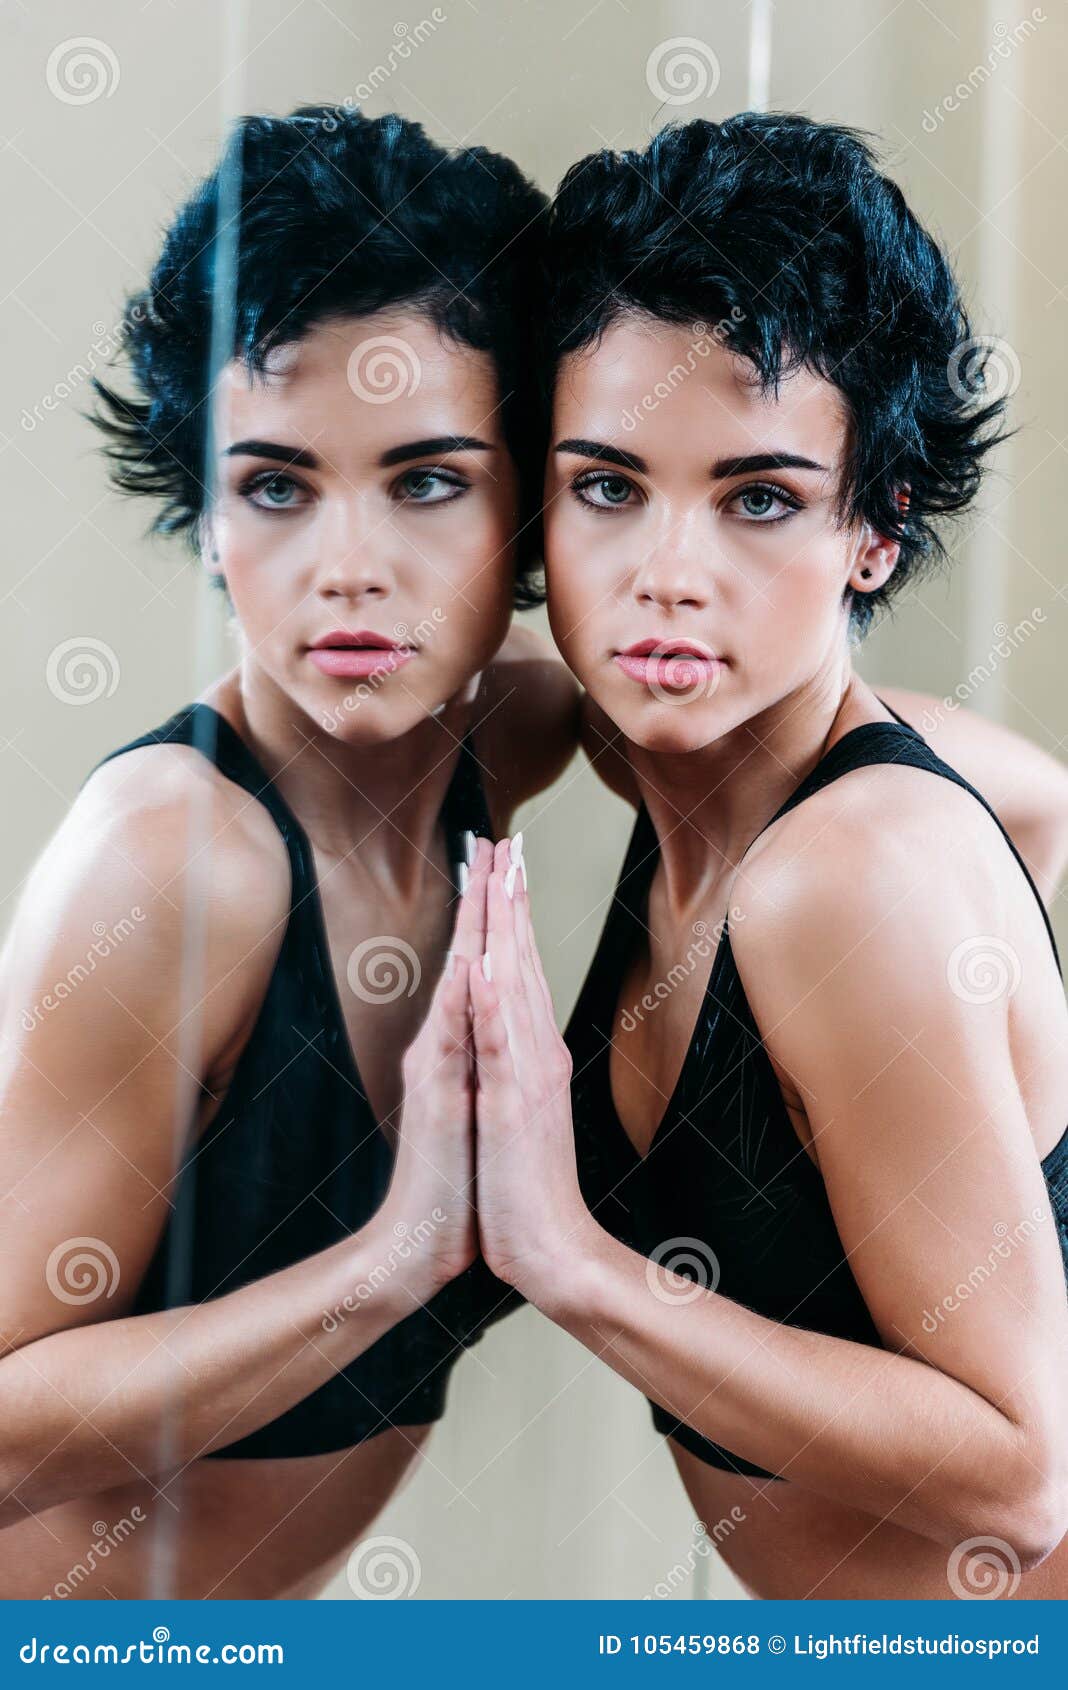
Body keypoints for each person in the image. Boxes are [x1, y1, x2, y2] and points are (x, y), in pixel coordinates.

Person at [463, 113, 1068, 1600]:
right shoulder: (672, 743)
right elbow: (1048, 806)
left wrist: (568, 1257)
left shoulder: (845, 879)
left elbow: (1021, 1467)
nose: (669, 573)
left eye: (760, 498)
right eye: (609, 484)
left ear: (876, 525)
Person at [0, 106, 572, 1600]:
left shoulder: (494, 736)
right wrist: (398, 1258)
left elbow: (974, 788)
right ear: (203, 517)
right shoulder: (177, 866)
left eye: (428, 479)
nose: (348, 566)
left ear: (531, 509)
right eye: (274, 484)